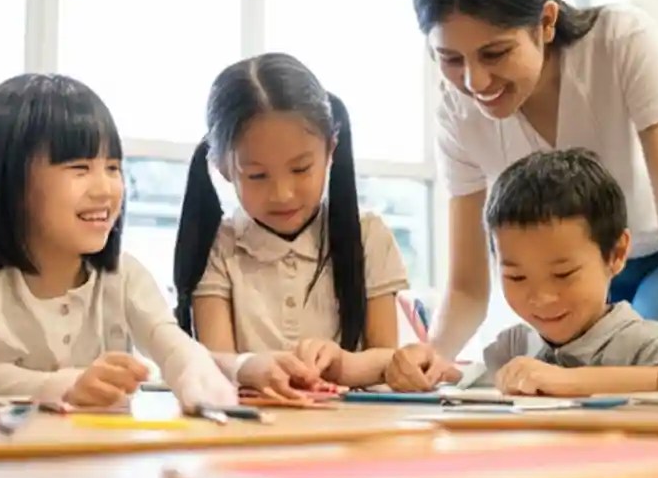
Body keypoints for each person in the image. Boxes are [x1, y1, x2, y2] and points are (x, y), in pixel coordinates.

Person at [414, 0, 658, 355]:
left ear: (545, 22)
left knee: (645, 361)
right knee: (568, 375)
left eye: (495, 53)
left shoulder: (621, 41)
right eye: (450, 58)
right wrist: (431, 358)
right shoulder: (456, 112)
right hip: (564, 267)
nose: (475, 81)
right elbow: (469, 286)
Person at [0, 74, 245, 407]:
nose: (104, 189)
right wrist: (59, 386)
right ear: (9, 179)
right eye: (79, 167)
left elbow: (173, 345)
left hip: (101, 456)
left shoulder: (123, 275)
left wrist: (194, 372)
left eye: (113, 167)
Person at [174, 53, 458, 390]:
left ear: (330, 150)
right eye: (257, 175)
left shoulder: (368, 236)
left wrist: (343, 363)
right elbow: (214, 361)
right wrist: (250, 367)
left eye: (300, 169)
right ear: (222, 167)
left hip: (348, 432)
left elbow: (387, 358)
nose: (282, 193)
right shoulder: (219, 246)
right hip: (250, 432)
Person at [482, 149, 658, 396]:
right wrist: (433, 368)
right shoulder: (515, 345)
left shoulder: (645, 344)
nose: (542, 298)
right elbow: (468, 382)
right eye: (516, 277)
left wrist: (570, 380)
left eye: (563, 274)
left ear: (616, 254)